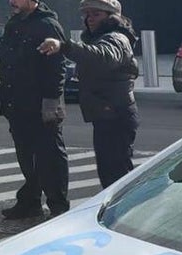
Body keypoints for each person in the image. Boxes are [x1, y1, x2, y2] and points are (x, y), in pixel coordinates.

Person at [38, 0, 139, 189]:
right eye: (88, 14)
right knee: (109, 173)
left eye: (96, 14)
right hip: (106, 113)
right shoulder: (98, 37)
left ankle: (124, 215)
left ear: (112, 17)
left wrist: (64, 46)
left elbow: (102, 56)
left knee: (117, 175)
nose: (90, 19)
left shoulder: (116, 38)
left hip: (116, 114)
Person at [0, 0, 70, 221]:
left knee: (50, 157)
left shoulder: (47, 25)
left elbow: (58, 66)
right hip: (18, 103)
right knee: (26, 156)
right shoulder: (14, 24)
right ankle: (30, 202)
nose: (12, 2)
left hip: (40, 104)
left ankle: (58, 207)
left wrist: (51, 101)